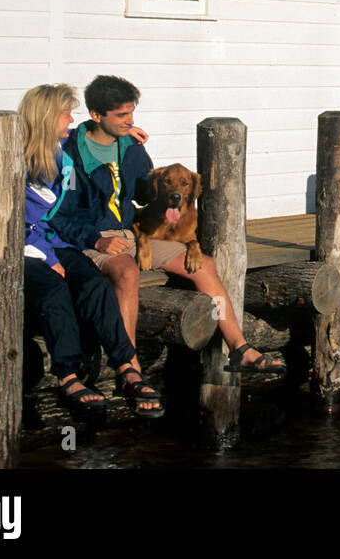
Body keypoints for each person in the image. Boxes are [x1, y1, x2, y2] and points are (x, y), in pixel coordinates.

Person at [49, 75, 283, 374]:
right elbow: (58, 214)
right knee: (127, 273)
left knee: (206, 266)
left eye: (131, 113)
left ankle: (240, 347)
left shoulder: (131, 148)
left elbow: (145, 196)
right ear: (96, 115)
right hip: (93, 237)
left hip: (131, 232)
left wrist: (169, 187)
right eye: (121, 115)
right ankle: (128, 364)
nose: (129, 120)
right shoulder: (69, 153)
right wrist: (95, 239)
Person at [19, 84, 163, 419]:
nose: (72, 118)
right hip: (19, 249)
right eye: (65, 113)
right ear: (45, 118)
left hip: (54, 242)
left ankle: (127, 368)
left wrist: (127, 137)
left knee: (94, 285)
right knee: (56, 292)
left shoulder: (59, 152)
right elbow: (15, 221)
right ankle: (67, 376)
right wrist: (52, 258)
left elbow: (92, 136)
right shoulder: (18, 155)